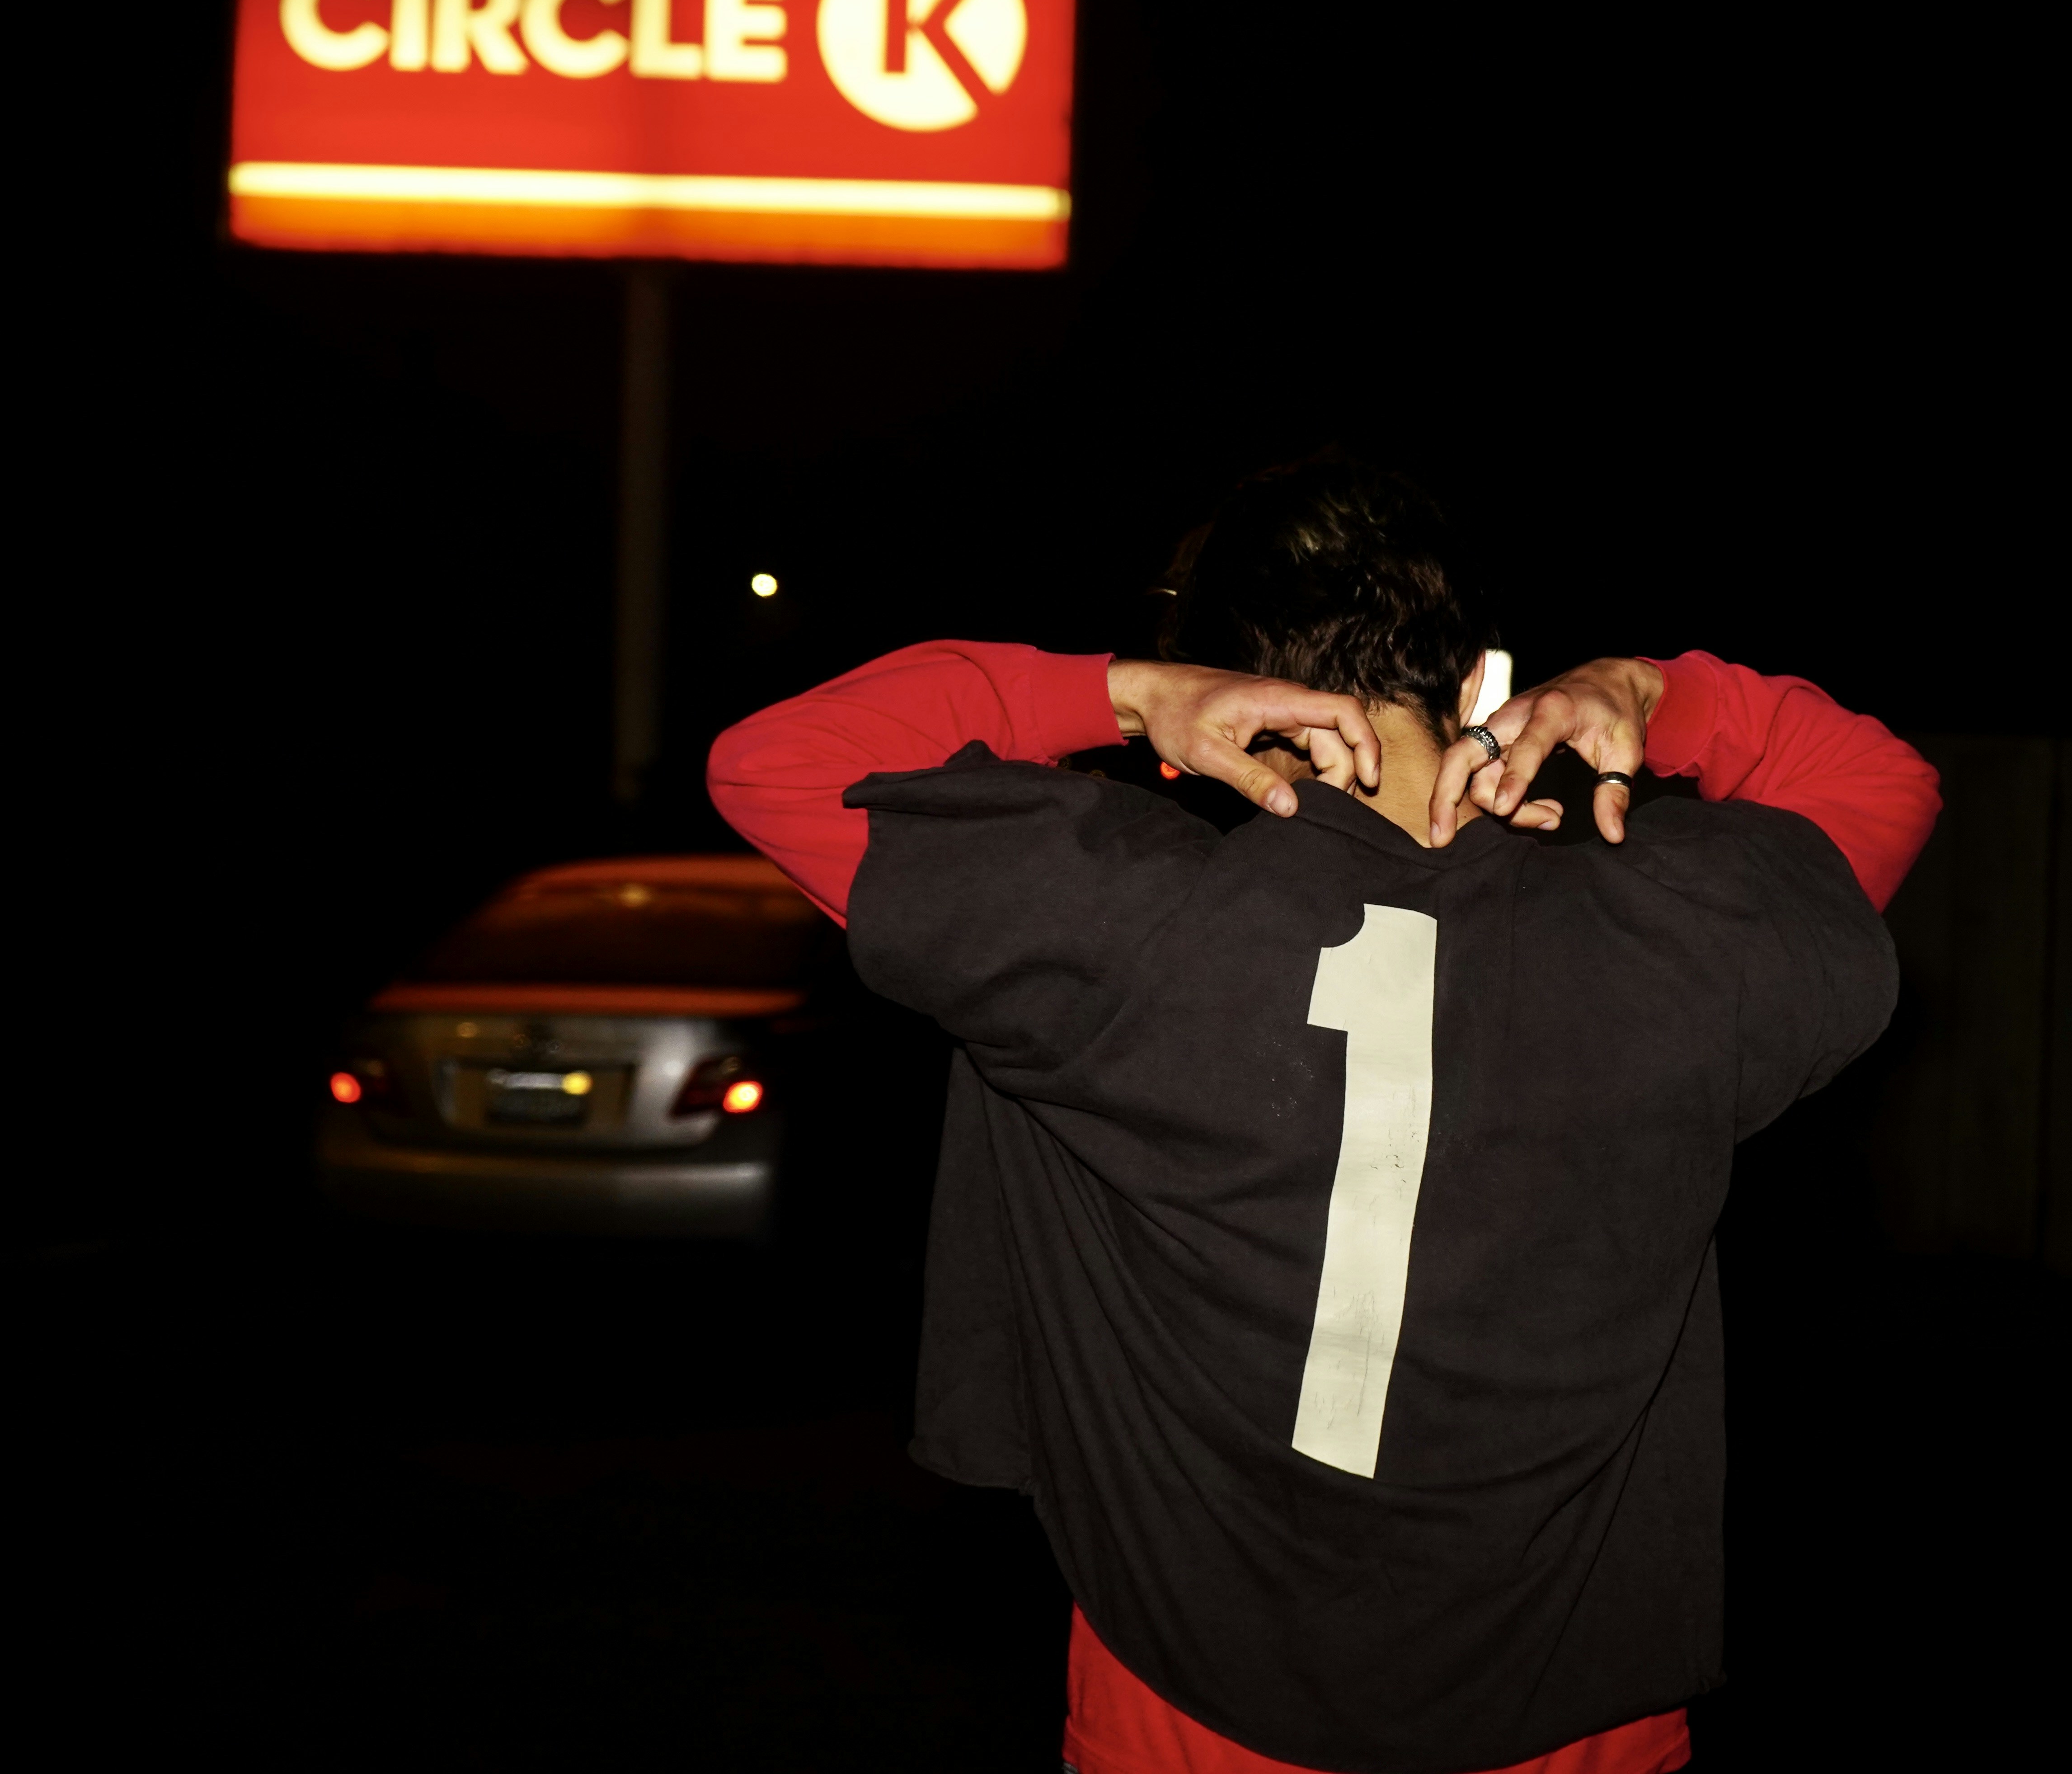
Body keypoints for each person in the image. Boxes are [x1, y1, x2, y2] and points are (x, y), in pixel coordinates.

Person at [707, 458, 1941, 1774]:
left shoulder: (1105, 923)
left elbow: (772, 762)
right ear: (1485, 683)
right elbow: (1881, 786)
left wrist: (1123, 696)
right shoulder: (1675, 930)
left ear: (1231, 706)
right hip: (1573, 1706)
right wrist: (1644, 691)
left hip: (1187, 1696)